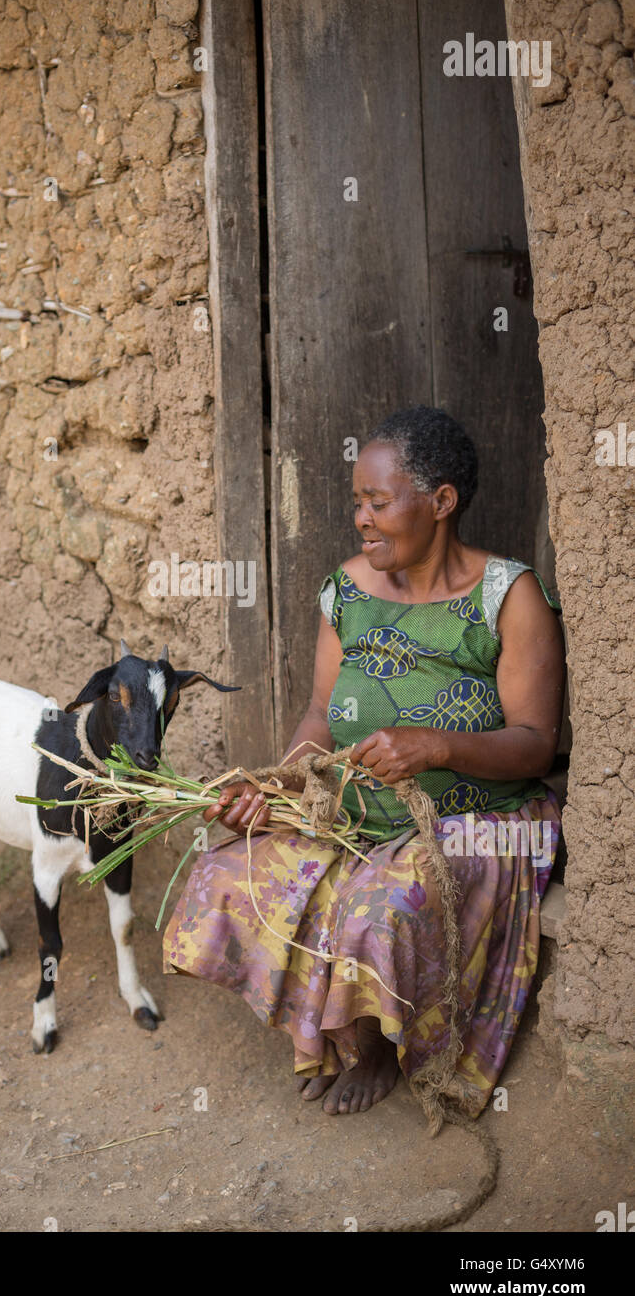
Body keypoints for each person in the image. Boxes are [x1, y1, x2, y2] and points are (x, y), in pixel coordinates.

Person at [163, 406, 565, 1120]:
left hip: (477, 820)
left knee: (380, 908)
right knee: (231, 867)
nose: (363, 519)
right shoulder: (347, 590)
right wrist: (278, 785)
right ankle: (329, 1030)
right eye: (358, 502)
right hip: (356, 809)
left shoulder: (509, 596)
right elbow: (320, 715)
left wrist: (439, 746)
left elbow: (536, 739)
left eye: (379, 502)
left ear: (441, 503)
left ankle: (380, 1046)